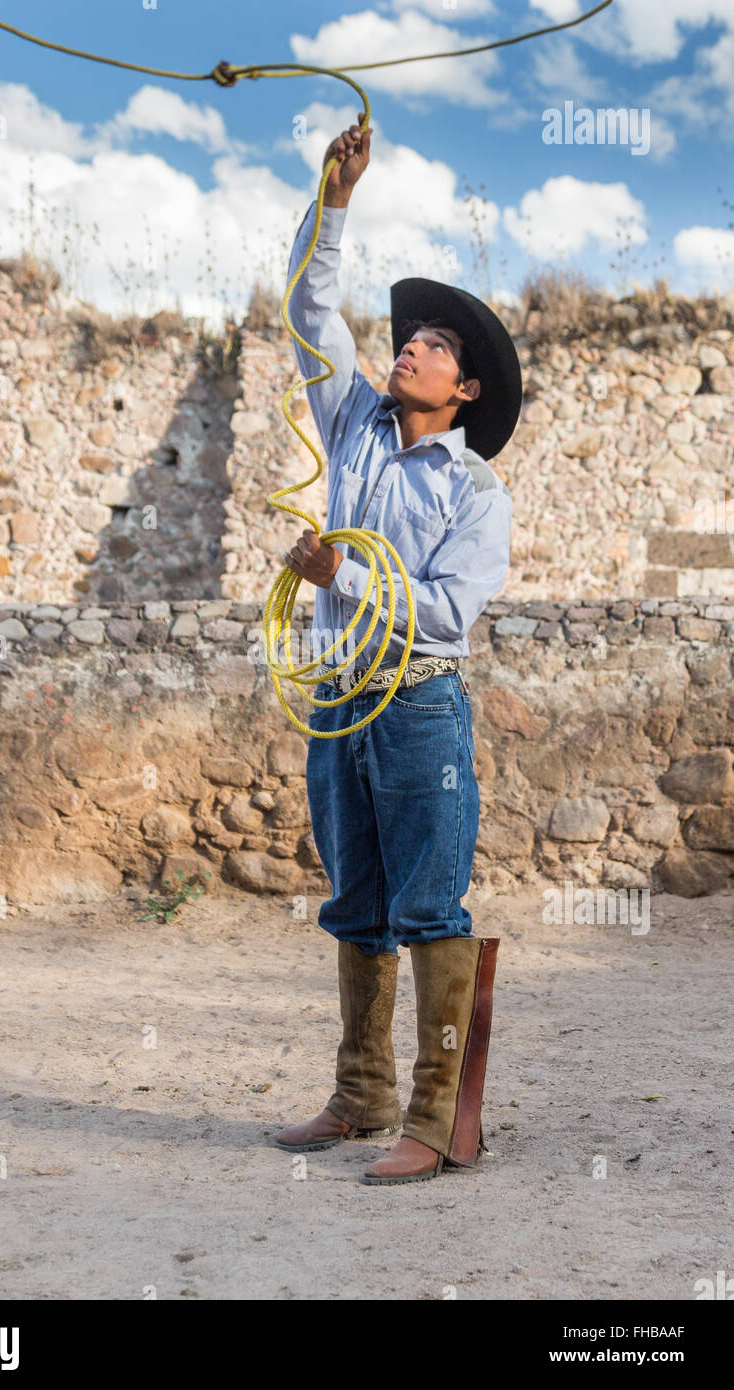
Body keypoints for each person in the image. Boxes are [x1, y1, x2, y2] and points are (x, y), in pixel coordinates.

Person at [272, 115, 522, 1184]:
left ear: (461, 390)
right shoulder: (355, 425)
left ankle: (437, 1116)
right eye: (405, 339)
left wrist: (343, 578)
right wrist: (333, 198)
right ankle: (361, 1093)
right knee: (356, 903)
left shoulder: (476, 491)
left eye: (430, 346)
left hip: (418, 703)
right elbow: (305, 312)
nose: (406, 347)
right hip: (338, 697)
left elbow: (444, 613)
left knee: (428, 906)